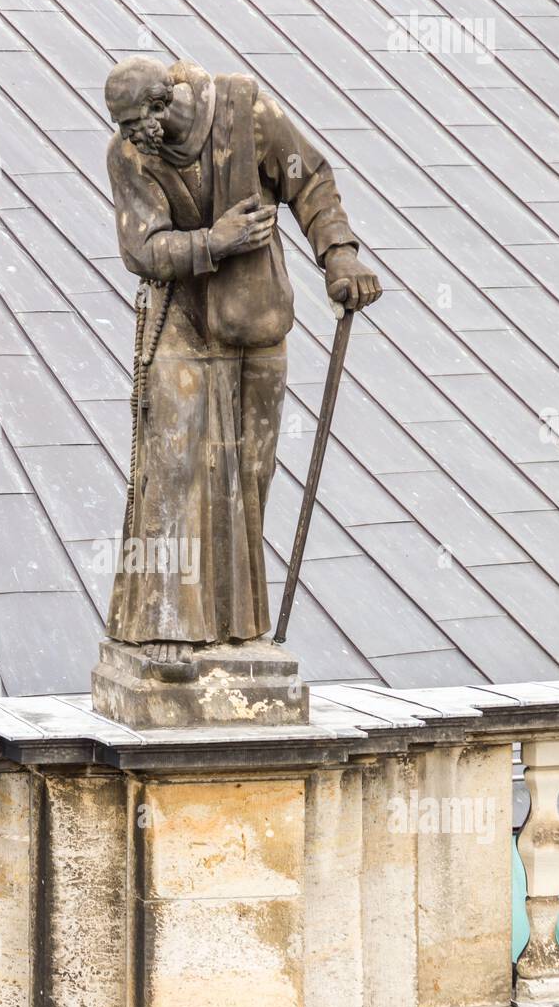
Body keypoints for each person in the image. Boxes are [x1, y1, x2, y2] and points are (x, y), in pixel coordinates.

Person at [104, 56, 382, 675]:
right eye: (120, 126)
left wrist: (339, 256)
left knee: (248, 477)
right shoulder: (129, 157)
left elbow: (308, 179)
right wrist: (213, 241)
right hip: (178, 319)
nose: (127, 137)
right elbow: (141, 249)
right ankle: (165, 622)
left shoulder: (242, 109)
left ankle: (235, 629)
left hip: (254, 317)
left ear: (163, 103)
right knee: (173, 466)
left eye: (133, 122)